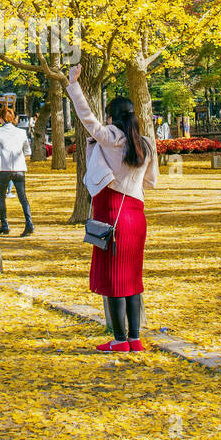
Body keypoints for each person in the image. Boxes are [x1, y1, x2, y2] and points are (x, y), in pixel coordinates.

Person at [65, 63, 158, 352]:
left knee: (115, 279)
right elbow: (151, 181)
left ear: (112, 117)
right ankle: (135, 337)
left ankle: (119, 340)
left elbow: (86, 117)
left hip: (112, 214)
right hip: (136, 214)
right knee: (132, 278)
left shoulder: (110, 138)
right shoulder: (145, 144)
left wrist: (74, 84)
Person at [0, 106, 34, 237]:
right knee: (23, 197)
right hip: (19, 168)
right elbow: (28, 151)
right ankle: (29, 222)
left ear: (1, 118)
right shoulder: (21, 132)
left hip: (4, 168)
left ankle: (5, 224)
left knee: (1, 197)